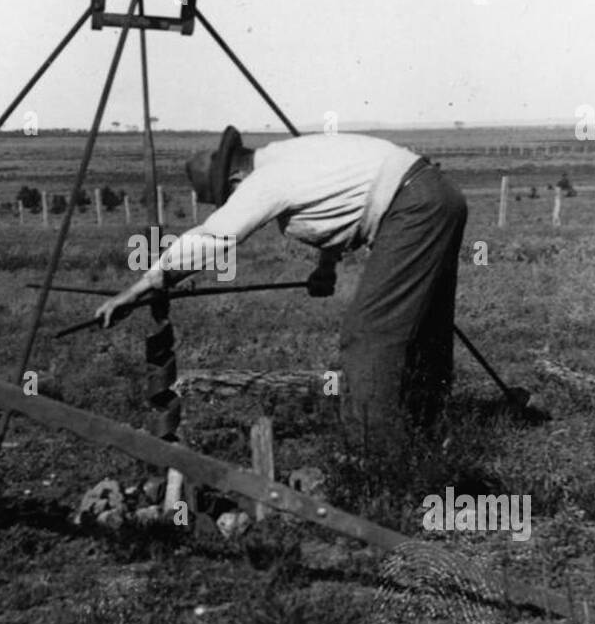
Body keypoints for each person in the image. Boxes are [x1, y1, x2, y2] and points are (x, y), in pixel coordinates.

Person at [94, 126, 468, 476]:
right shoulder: (287, 156)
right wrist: (327, 266)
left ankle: (377, 465)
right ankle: (433, 439)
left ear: (234, 180)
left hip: (411, 208)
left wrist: (145, 284)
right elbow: (344, 203)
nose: (237, 201)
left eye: (231, 198)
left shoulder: (265, 181)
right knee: (423, 331)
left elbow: (214, 237)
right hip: (436, 195)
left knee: (370, 336)